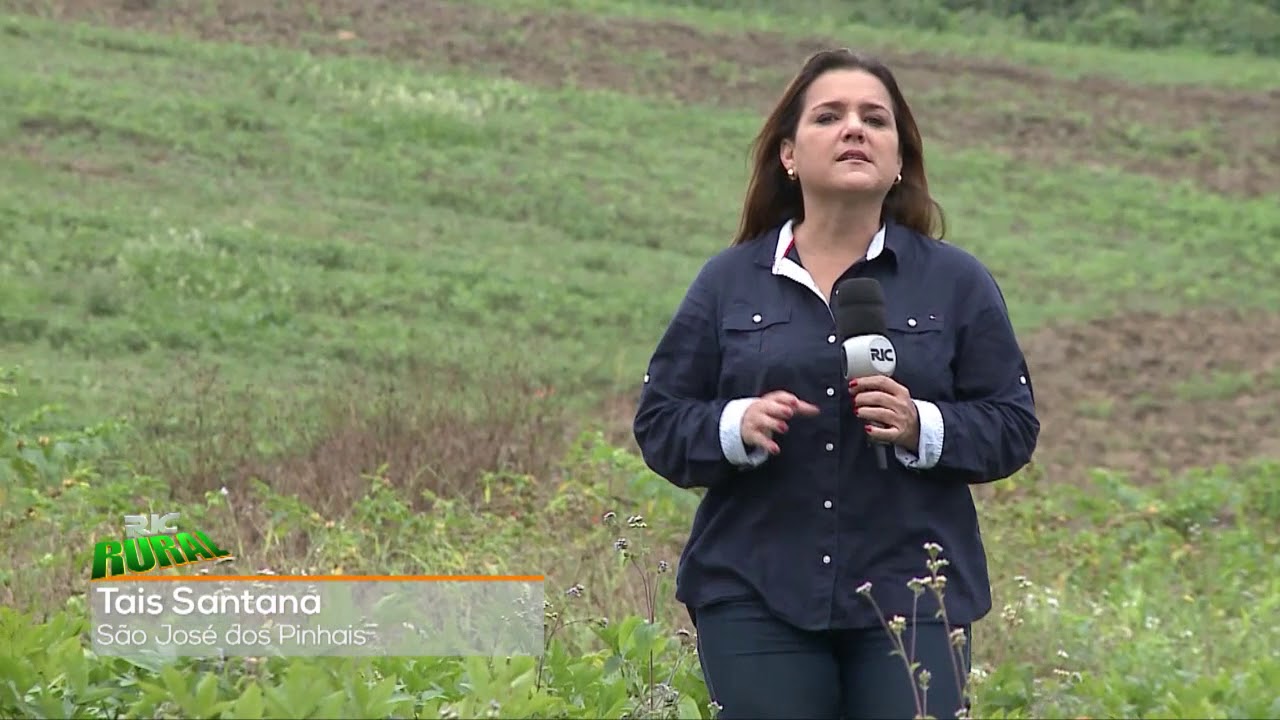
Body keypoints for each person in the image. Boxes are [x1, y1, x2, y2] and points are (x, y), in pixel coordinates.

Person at [632, 48, 1039, 719]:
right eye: (830, 116)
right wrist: (735, 426)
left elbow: (1012, 425)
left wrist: (922, 425)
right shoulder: (728, 282)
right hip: (754, 590)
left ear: (899, 157)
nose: (855, 128)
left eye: (875, 119)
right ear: (788, 155)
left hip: (914, 597)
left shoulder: (956, 283)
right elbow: (661, 420)